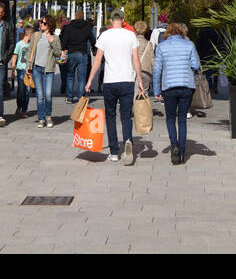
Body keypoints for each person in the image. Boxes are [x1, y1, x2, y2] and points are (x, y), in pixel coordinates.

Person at [85, 11, 144, 165]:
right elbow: (136, 59)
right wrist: (140, 80)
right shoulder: (130, 35)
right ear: (123, 21)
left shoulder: (105, 36)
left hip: (110, 81)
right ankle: (128, 140)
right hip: (126, 80)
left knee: (110, 116)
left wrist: (90, 79)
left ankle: (114, 152)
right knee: (125, 116)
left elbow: (98, 59)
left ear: (111, 20)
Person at [152, 21, 201, 165]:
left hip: (169, 87)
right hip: (186, 86)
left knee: (170, 118)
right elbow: (196, 65)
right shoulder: (189, 45)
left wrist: (156, 90)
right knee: (182, 119)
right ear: (182, 32)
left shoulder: (162, 47)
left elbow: (157, 70)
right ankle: (182, 150)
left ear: (167, 32)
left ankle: (174, 145)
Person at [26, 15, 62, 127]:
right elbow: (30, 50)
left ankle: (48, 116)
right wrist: (28, 66)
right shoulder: (36, 35)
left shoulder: (55, 38)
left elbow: (58, 53)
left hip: (49, 69)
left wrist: (52, 42)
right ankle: (41, 118)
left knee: (48, 94)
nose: (41, 24)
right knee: (40, 94)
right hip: (37, 68)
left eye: (44, 23)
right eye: (41, 22)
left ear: (50, 25)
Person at [60, 9, 96, 103]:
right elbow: (92, 40)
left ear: (75, 16)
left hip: (71, 53)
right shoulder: (86, 27)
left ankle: (69, 97)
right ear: (83, 17)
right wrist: (94, 49)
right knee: (82, 77)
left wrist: (63, 49)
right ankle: (81, 97)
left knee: (70, 76)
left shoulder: (68, 27)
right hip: (82, 54)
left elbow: (64, 41)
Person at [10, 23, 35, 116]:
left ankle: (24, 109)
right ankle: (19, 106)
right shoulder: (19, 44)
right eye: (32, 35)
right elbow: (14, 57)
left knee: (27, 91)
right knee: (21, 90)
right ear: (29, 35)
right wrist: (13, 70)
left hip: (29, 70)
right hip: (20, 69)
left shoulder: (32, 45)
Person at [133, 20, 154, 94]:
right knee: (144, 94)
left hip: (134, 71)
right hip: (146, 71)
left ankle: (135, 106)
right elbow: (152, 61)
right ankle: (143, 106)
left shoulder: (132, 42)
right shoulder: (149, 44)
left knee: (135, 93)